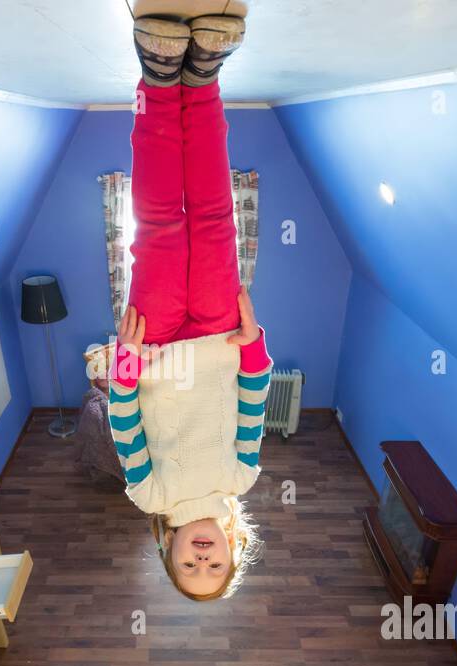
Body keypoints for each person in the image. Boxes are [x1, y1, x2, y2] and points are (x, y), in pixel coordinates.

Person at [110, 13, 270, 601]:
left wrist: (126, 357)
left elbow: (122, 411)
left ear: (167, 551)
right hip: (220, 333)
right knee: (213, 218)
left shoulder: (148, 497)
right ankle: (202, 78)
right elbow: (254, 396)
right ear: (234, 547)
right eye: (216, 568)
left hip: (153, 342)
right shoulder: (242, 477)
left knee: (155, 224)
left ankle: (156, 78)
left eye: (188, 570)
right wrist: (253, 345)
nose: (202, 561)